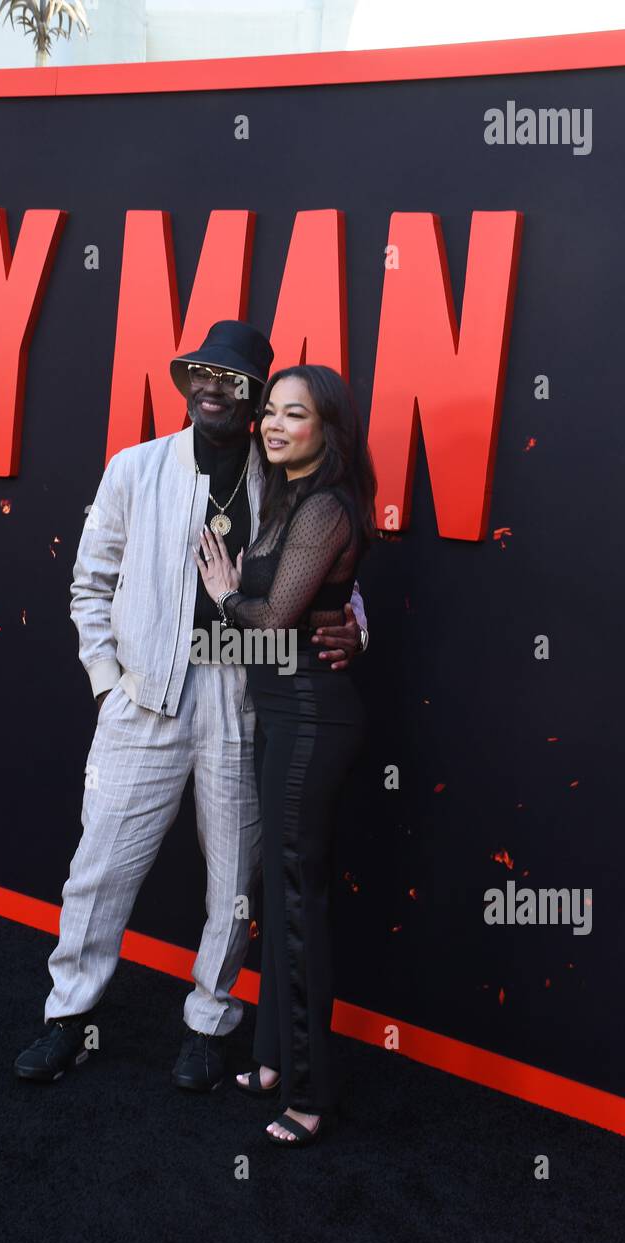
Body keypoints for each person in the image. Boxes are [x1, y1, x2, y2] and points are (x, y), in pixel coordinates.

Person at [14, 322, 369, 1091]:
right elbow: (89, 582)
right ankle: (68, 1019)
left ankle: (210, 1022)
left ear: (255, 397)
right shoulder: (136, 468)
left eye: (232, 378)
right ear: (184, 383)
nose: (211, 385)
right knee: (98, 866)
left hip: (242, 695)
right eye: (198, 372)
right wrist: (109, 683)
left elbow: (329, 567)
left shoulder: (280, 472)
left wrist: (355, 625)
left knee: (233, 882)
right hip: (145, 697)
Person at [195, 364, 377, 1145]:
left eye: (292, 414)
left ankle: (308, 1095)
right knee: (280, 889)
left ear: (325, 430)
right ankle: (271, 1057)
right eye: (268, 411)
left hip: (310, 719)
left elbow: (269, 621)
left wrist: (224, 592)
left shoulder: (326, 507)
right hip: (281, 714)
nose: (271, 425)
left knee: (300, 902)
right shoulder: (288, 499)